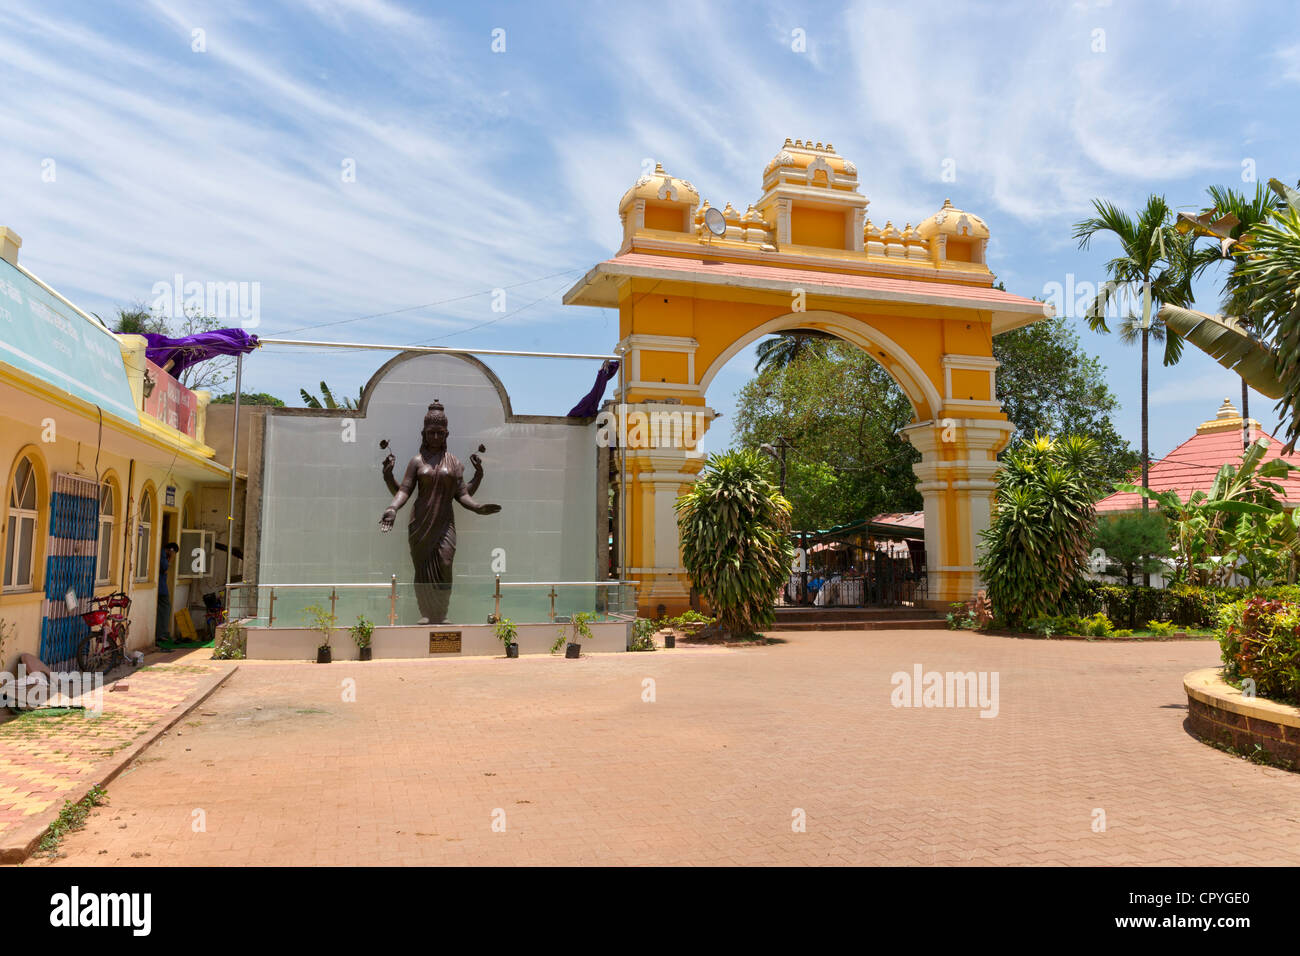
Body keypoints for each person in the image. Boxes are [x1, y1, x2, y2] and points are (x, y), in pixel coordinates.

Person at [380, 401, 502, 624]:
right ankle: (426, 613)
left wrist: (477, 507)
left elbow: (462, 494)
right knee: (422, 569)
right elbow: (405, 490)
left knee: (445, 564)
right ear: (423, 434)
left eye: (439, 433)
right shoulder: (417, 462)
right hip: (420, 525)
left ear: (447, 434)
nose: (435, 437)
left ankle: (442, 613)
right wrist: (392, 508)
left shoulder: (454, 462)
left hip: (445, 524)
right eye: (431, 433)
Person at [156, 542, 180, 642]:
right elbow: (165, 567)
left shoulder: (163, 554)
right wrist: (170, 559)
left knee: (163, 609)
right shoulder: (163, 555)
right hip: (161, 588)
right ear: (171, 550)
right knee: (165, 609)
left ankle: (161, 632)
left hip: (161, 587)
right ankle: (161, 633)